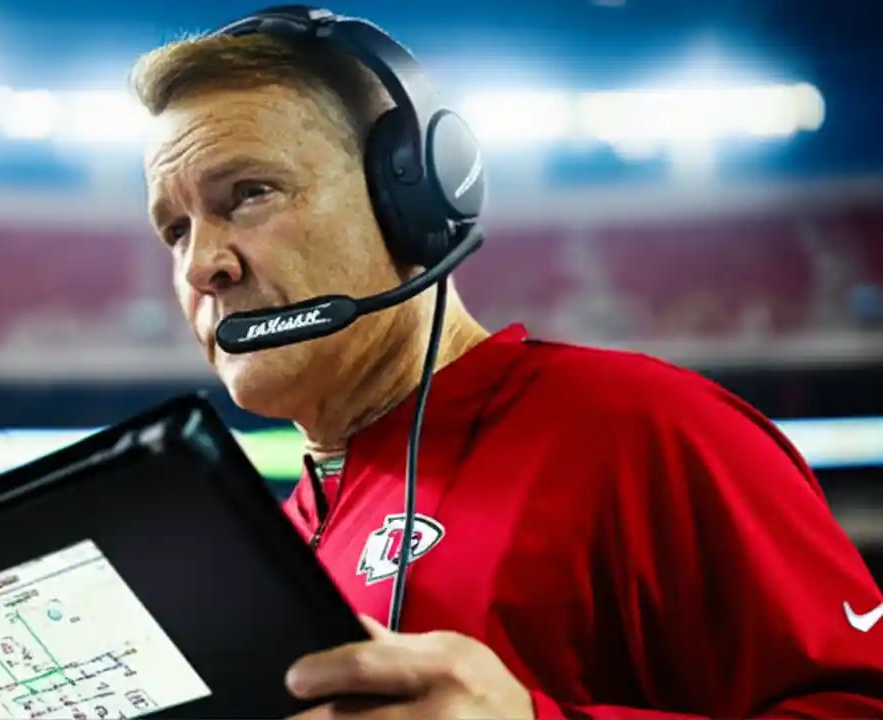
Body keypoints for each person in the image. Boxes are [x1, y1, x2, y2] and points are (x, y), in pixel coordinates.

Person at [130, 14, 883, 720]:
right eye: (174, 229)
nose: (203, 265)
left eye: (250, 194)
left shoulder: (641, 429)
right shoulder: (281, 542)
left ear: (410, 197)